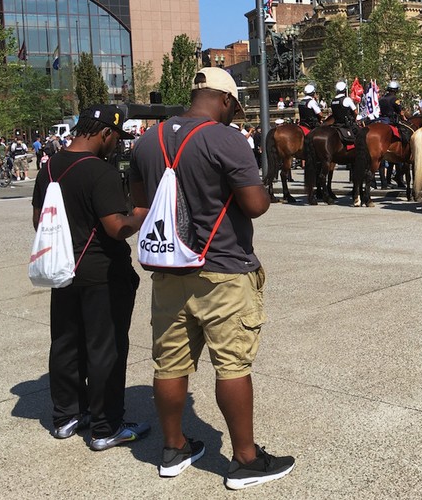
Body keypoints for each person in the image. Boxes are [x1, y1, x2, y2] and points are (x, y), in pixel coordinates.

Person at [130, 67, 292, 489]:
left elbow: (139, 202)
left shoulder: (148, 140)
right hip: (222, 267)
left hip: (168, 270)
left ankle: (173, 448)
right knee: (232, 364)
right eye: (234, 108)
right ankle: (244, 459)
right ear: (224, 100)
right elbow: (255, 206)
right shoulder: (225, 138)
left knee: (169, 363)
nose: (235, 115)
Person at [31, 104, 148, 450]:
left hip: (62, 270)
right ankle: (105, 426)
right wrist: (141, 214)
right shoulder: (101, 173)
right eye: (116, 138)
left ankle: (66, 416)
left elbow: (40, 221)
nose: (116, 145)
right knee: (105, 349)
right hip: (101, 273)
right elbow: (116, 228)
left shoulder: (48, 167)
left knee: (66, 342)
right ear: (104, 133)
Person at [378, 80, 413, 145]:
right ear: (396, 90)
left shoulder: (381, 98)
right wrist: (404, 119)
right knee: (405, 135)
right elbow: (400, 112)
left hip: (382, 119)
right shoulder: (395, 99)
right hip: (391, 120)